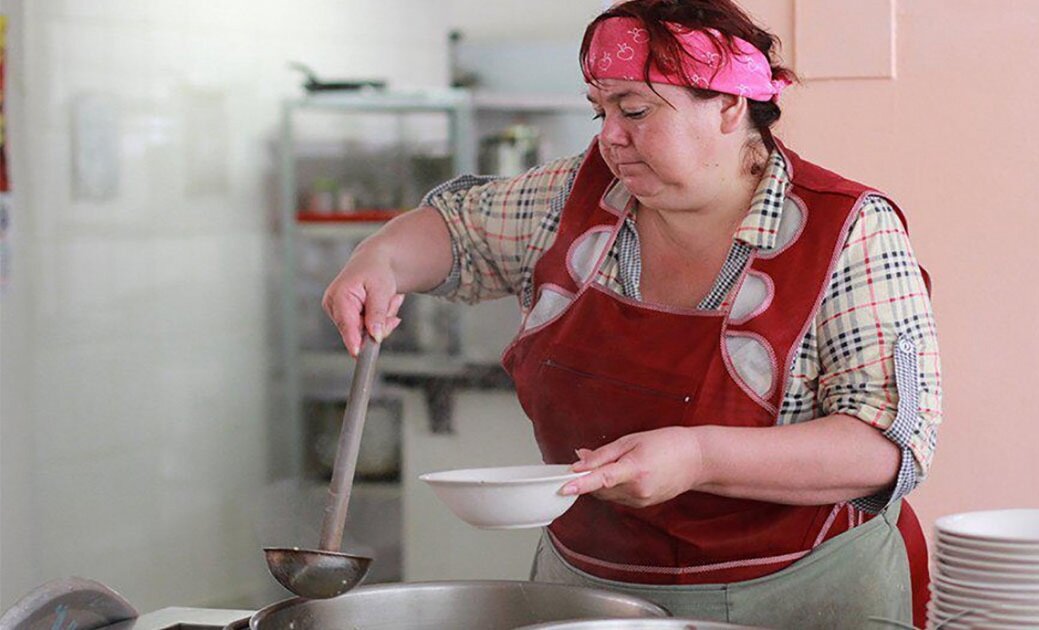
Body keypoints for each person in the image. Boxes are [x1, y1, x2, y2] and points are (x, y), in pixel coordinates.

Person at [323, 0, 942, 626]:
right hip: (587, 592)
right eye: (602, 110)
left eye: (636, 110)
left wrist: (700, 457)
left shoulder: (848, 230)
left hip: (800, 594)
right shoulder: (573, 196)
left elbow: (886, 446)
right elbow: (458, 231)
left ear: (729, 105)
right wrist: (380, 258)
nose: (609, 136)